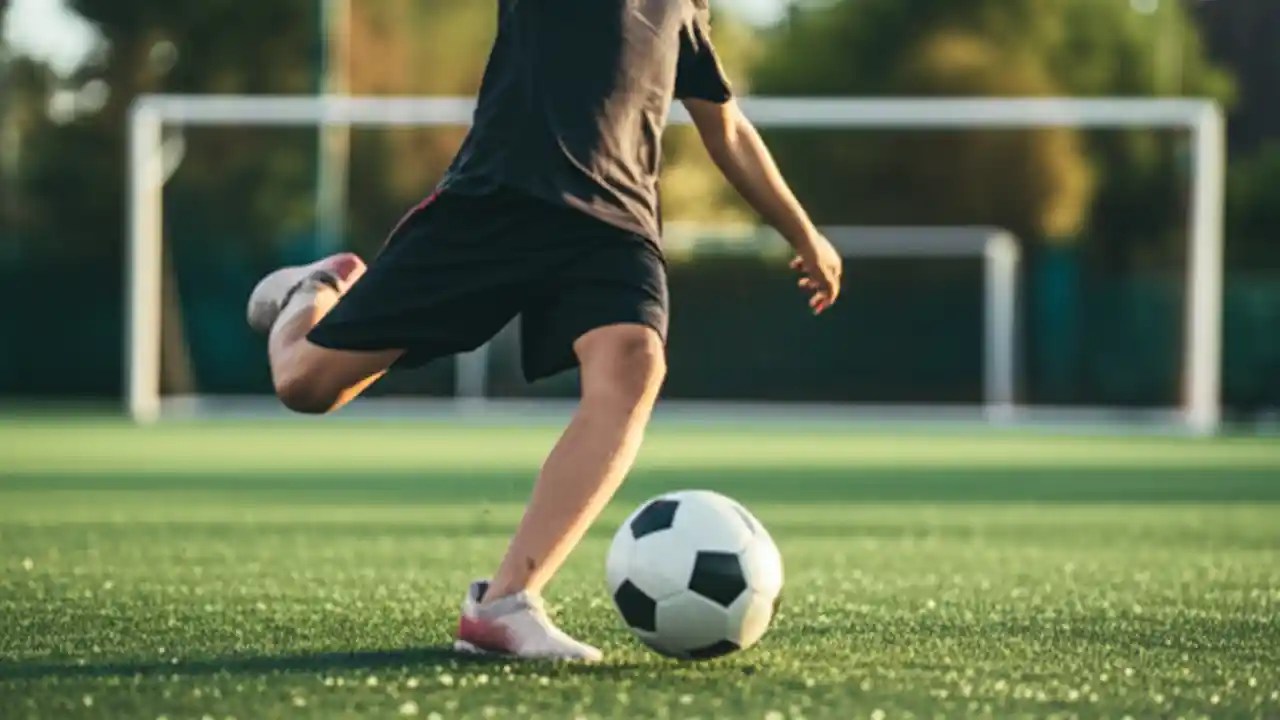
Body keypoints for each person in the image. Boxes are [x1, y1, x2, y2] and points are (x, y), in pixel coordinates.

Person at [246, 0, 842, 662]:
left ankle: (504, 604)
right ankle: (314, 288)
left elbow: (722, 126)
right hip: (497, 201)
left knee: (634, 362)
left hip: (615, 224)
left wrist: (803, 232)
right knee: (307, 384)